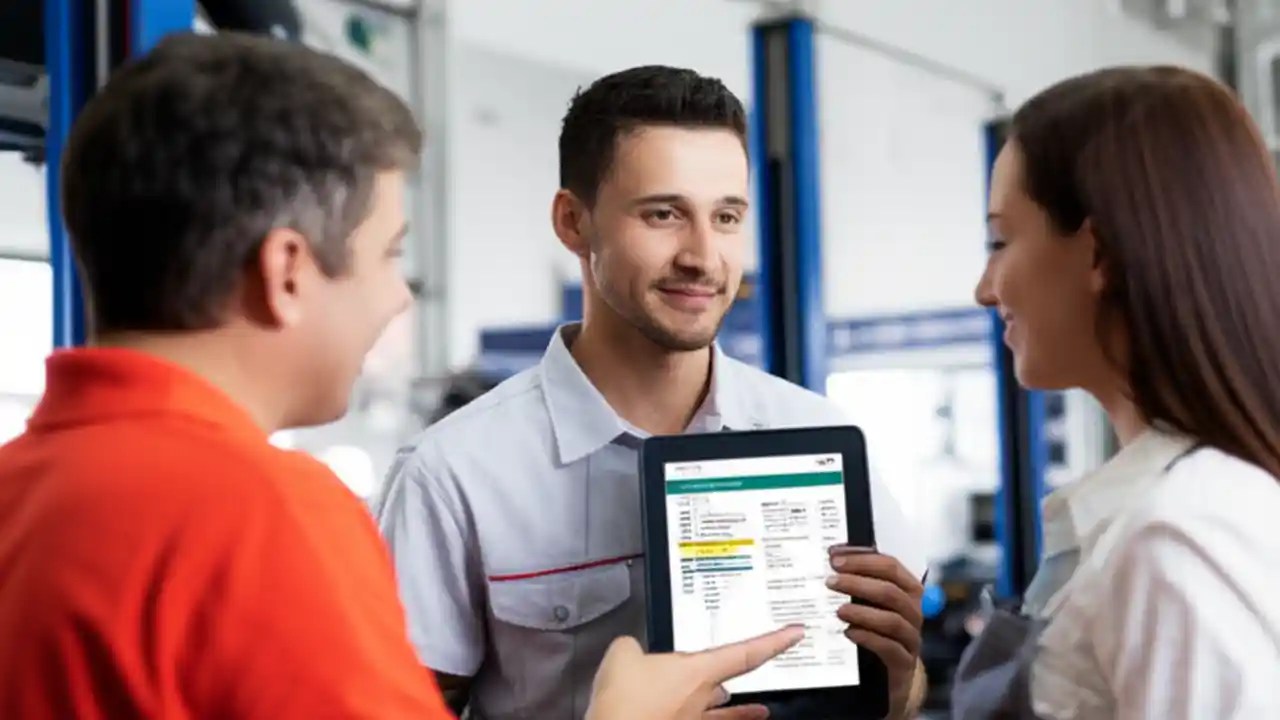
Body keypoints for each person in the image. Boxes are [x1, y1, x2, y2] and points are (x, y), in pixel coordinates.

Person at [0, 33, 802, 720]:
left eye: (727, 215)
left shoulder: (17, 491)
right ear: (286, 271)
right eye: (388, 254)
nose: (393, 299)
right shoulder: (267, 520)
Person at [374, 65, 929, 720]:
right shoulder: (453, 474)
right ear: (573, 222)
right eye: (664, 214)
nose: (702, 254)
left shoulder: (821, 437)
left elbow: (903, 685)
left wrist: (898, 687)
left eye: (726, 217)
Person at [952, 65, 1280, 718]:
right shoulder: (1178, 509)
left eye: (1001, 240)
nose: (985, 289)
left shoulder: (1180, 534)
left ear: (1097, 254)